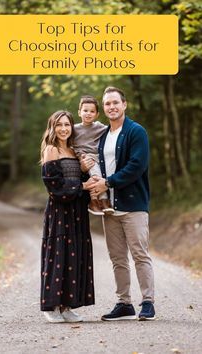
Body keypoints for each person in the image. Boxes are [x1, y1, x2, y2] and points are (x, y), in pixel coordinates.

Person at [85, 86, 155, 321]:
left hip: (133, 205)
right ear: (103, 109)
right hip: (109, 207)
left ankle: (148, 302)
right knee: (117, 258)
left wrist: (109, 182)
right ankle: (124, 303)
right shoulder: (103, 135)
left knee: (140, 255)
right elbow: (98, 165)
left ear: (124, 105)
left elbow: (137, 166)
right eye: (107, 104)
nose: (112, 107)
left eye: (116, 102)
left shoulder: (136, 131)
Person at [40, 110, 95, 323]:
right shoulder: (51, 149)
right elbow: (53, 185)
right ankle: (50, 306)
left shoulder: (73, 150)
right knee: (58, 256)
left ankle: (66, 306)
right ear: (52, 127)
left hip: (77, 211)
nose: (64, 128)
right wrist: (81, 184)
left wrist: (83, 172)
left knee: (75, 255)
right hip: (59, 211)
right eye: (59, 125)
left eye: (67, 125)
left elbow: (80, 179)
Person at [73, 95, 114, 216]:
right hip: (85, 157)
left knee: (106, 173)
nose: (88, 114)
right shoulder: (74, 129)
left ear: (97, 114)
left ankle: (99, 200)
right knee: (95, 172)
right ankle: (101, 200)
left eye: (92, 111)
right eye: (85, 110)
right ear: (79, 112)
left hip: (99, 157)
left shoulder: (99, 127)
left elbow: (114, 129)